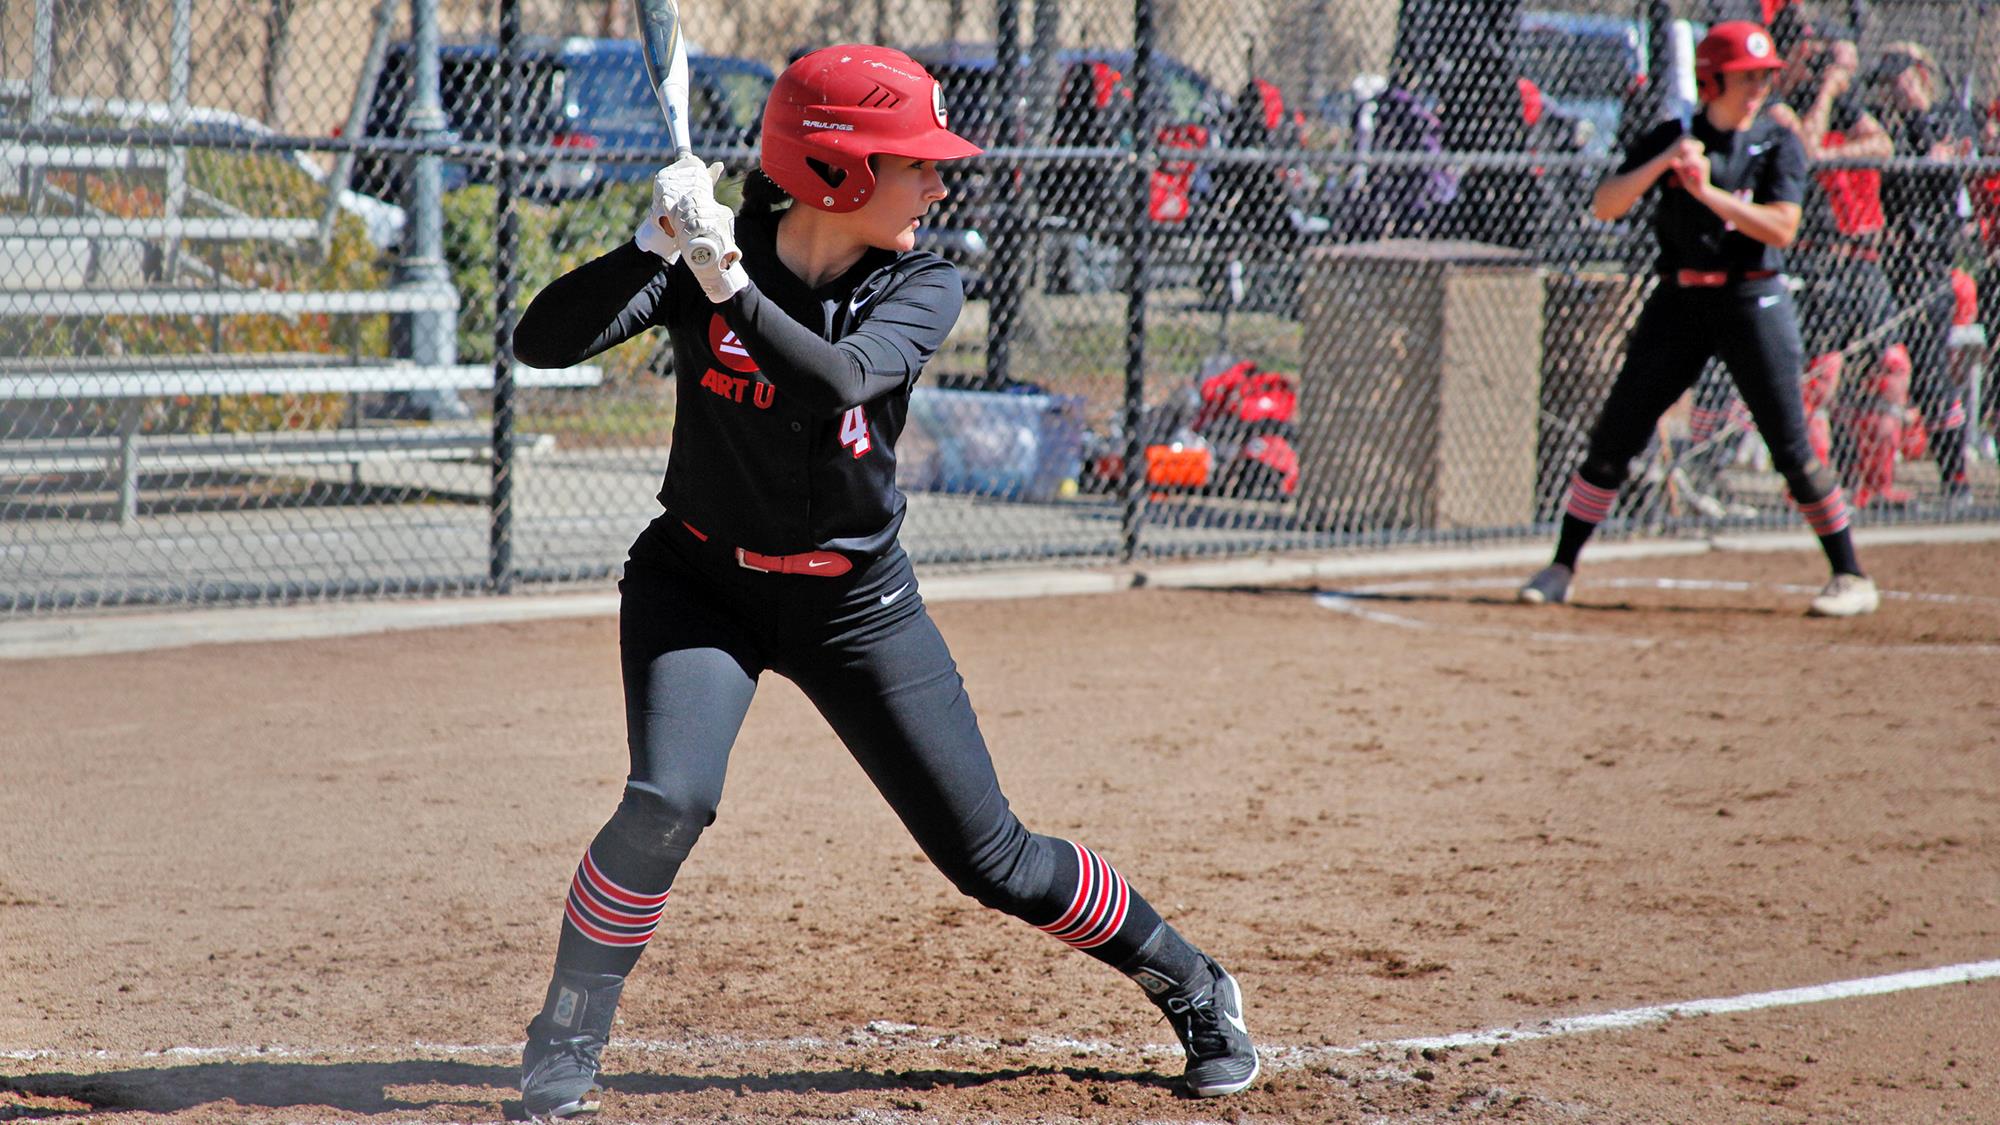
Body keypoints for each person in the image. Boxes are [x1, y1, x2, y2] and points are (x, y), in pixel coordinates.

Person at [506, 45, 1260, 1121]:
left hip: (853, 602)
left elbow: (838, 383)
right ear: (836, 173)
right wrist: (652, 246)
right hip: (700, 584)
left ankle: (1189, 978)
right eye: (915, 164)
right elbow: (541, 343)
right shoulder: (708, 258)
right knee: (666, 802)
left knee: (988, 857)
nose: (938, 185)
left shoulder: (920, 279)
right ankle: (565, 1033)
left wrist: (727, 284)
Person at [1518, 20, 1878, 618]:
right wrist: (1663, 164)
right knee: (1614, 439)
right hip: (1680, 300)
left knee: (1790, 447)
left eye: (1764, 76)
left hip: (1752, 301)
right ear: (1712, 79)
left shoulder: (1776, 141)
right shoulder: (1671, 135)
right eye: (1746, 78)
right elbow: (1606, 205)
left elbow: (1782, 228)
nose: (1759, 88)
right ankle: (1561, 567)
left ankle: (1851, 574)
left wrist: (1708, 192)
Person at [1868, 42, 1978, 507]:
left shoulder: (1950, 115)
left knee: (1932, 377)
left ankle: (1956, 479)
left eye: (1903, 80)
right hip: (1887, 264)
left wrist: (1922, 130)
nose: (1895, 90)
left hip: (1927, 266)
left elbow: (1938, 166)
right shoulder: (1887, 124)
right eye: (1890, 83)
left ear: (1922, 73)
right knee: (1880, 367)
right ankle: (1870, 478)